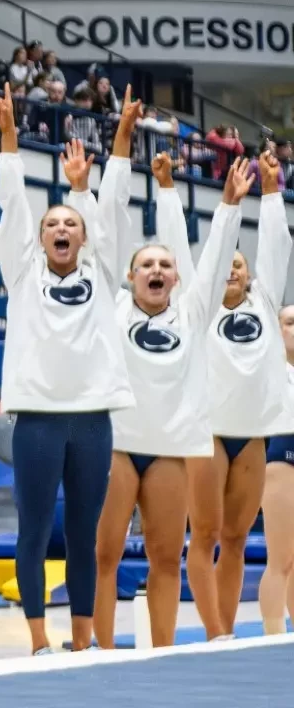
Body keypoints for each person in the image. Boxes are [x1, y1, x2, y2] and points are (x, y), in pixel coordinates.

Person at [84, 131, 246, 650]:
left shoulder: (194, 312)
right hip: (119, 444)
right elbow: (106, 232)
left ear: (177, 276)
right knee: (103, 555)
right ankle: (101, 654)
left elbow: (218, 258)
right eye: (146, 265)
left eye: (165, 264)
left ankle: (162, 654)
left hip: (171, 448)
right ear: (130, 277)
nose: (156, 270)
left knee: (164, 559)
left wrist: (227, 207)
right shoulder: (111, 308)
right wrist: (121, 149)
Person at [0, 92, 131, 655]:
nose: (62, 229)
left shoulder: (103, 270)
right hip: (39, 423)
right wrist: (8, 141)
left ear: (83, 234)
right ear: (41, 238)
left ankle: (81, 640)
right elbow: (13, 208)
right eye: (53, 225)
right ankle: (37, 640)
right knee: (32, 531)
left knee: (84, 535)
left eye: (71, 222)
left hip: (93, 420)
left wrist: (114, 145)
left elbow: (112, 205)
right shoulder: (22, 273)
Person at [185, 149, 287, 639]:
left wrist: (271, 195)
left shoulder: (266, 302)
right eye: (226, 264)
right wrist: (229, 207)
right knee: (203, 534)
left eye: (240, 266)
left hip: (252, 433)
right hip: (209, 431)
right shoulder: (199, 307)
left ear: (249, 275)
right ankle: (213, 631)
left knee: (237, 538)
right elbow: (214, 256)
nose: (232, 271)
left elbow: (276, 250)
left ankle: (228, 634)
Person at [258, 305, 294, 635]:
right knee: (280, 560)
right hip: (284, 456)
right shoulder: (270, 370)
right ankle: (272, 636)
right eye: (290, 322)